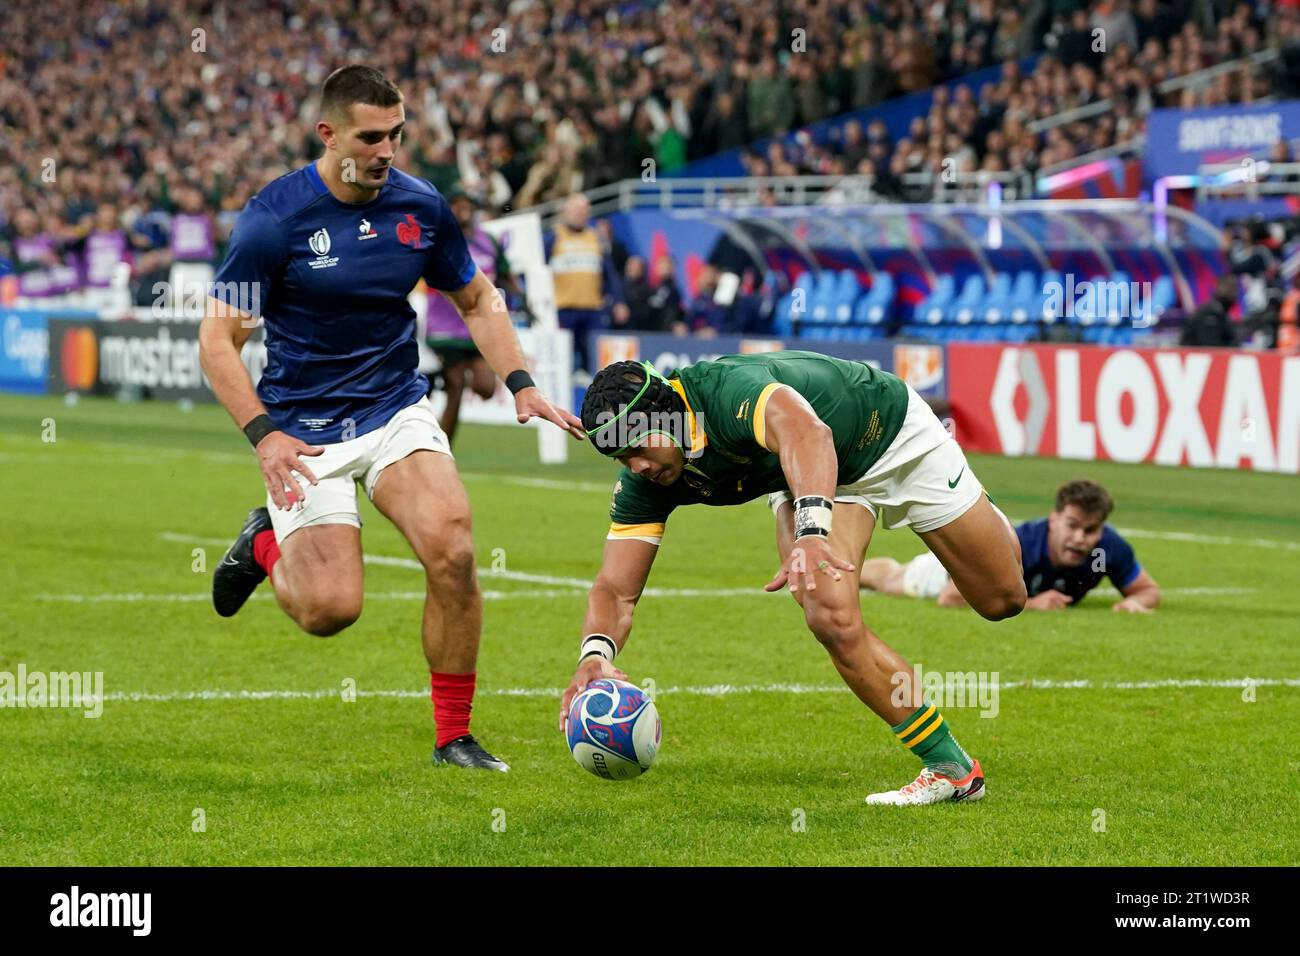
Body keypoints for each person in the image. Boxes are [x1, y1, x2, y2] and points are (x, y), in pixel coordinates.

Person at [198, 65, 583, 773]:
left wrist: (521, 381)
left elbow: (476, 297)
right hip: (302, 428)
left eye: (396, 136)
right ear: (328, 134)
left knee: (456, 549)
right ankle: (263, 546)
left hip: (393, 408)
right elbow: (217, 341)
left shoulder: (420, 206)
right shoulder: (273, 218)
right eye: (371, 137)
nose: (386, 151)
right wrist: (264, 435)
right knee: (329, 611)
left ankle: (453, 737)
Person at [561, 352, 1026, 806]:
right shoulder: (650, 480)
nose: (637, 466)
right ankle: (951, 769)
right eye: (623, 459)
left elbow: (807, 431)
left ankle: (983, 515)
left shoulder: (725, 394)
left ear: (670, 418)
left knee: (1003, 599)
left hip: (884, 431)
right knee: (827, 611)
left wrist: (811, 530)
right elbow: (616, 589)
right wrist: (594, 654)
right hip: (808, 477)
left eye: (640, 448)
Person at [860, 479, 1161, 612]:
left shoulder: (1107, 550)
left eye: (1091, 529)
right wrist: (1033, 605)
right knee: (893, 580)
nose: (1080, 539)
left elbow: (1148, 590)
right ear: (1054, 519)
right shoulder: (1021, 545)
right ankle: (853, 569)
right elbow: (950, 598)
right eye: (1072, 525)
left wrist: (1135, 602)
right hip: (962, 569)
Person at [423, 185, 525, 446]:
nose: (463, 209)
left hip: (478, 323)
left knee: (486, 387)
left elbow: (504, 273)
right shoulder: (439, 238)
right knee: (456, 388)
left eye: (467, 204)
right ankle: (443, 447)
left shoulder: (487, 240)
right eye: (457, 204)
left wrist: (523, 300)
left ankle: (436, 382)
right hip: (444, 328)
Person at [546, 193, 625, 373]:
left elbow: (609, 273)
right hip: (563, 308)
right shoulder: (554, 237)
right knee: (564, 360)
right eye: (575, 210)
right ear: (566, 211)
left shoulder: (596, 238)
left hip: (592, 309)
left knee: (596, 362)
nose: (580, 214)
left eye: (583, 210)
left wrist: (619, 301)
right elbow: (539, 269)